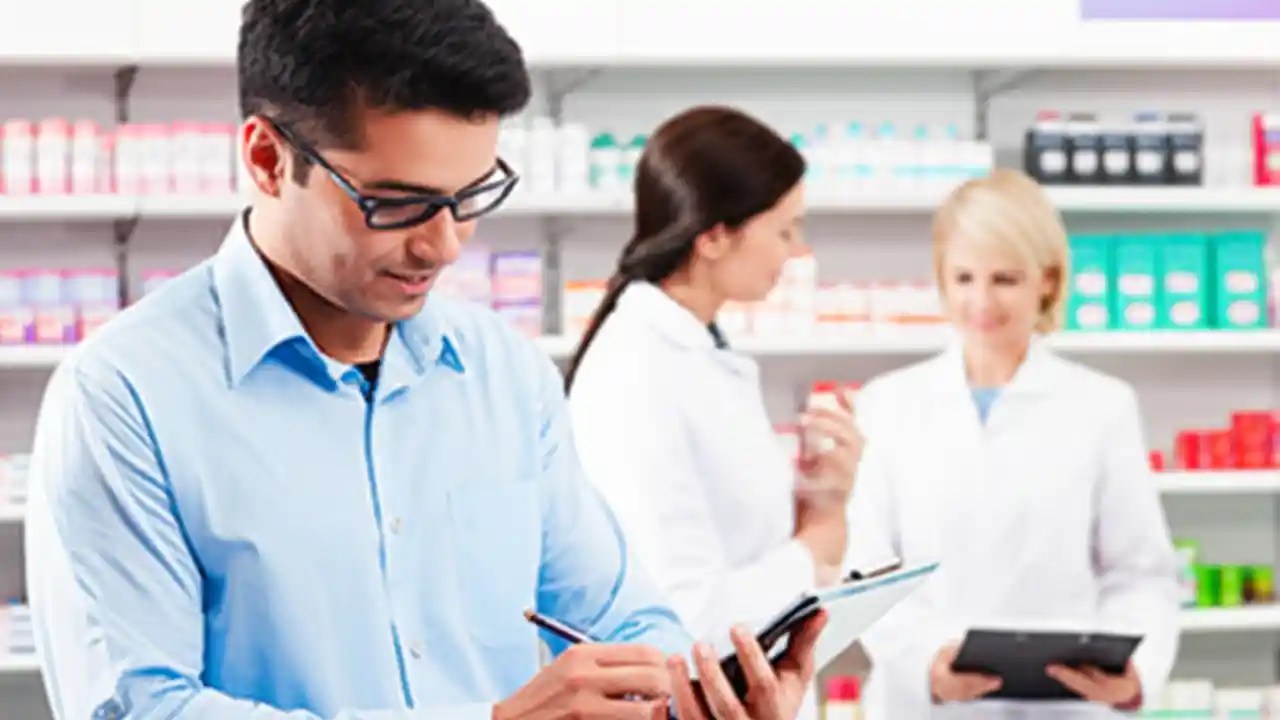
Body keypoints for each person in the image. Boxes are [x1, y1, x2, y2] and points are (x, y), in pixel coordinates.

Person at [23, 3, 826, 719]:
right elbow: (141, 706)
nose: (442, 245)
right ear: (268, 160)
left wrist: (698, 694)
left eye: (470, 197)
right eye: (397, 204)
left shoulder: (504, 376)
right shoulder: (125, 396)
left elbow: (625, 616)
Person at [843, 168, 1181, 719]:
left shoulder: (1102, 405)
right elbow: (865, 571)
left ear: (1047, 280)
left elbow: (1139, 572)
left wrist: (1130, 676)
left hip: (1064, 706)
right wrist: (928, 665)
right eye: (963, 278)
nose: (981, 300)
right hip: (928, 705)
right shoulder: (888, 404)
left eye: (1005, 279)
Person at [563, 106, 864, 720]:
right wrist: (815, 546)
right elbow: (684, 614)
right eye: (784, 231)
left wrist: (819, 504)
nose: (797, 251)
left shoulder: (700, 349)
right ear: (715, 235)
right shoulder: (637, 370)